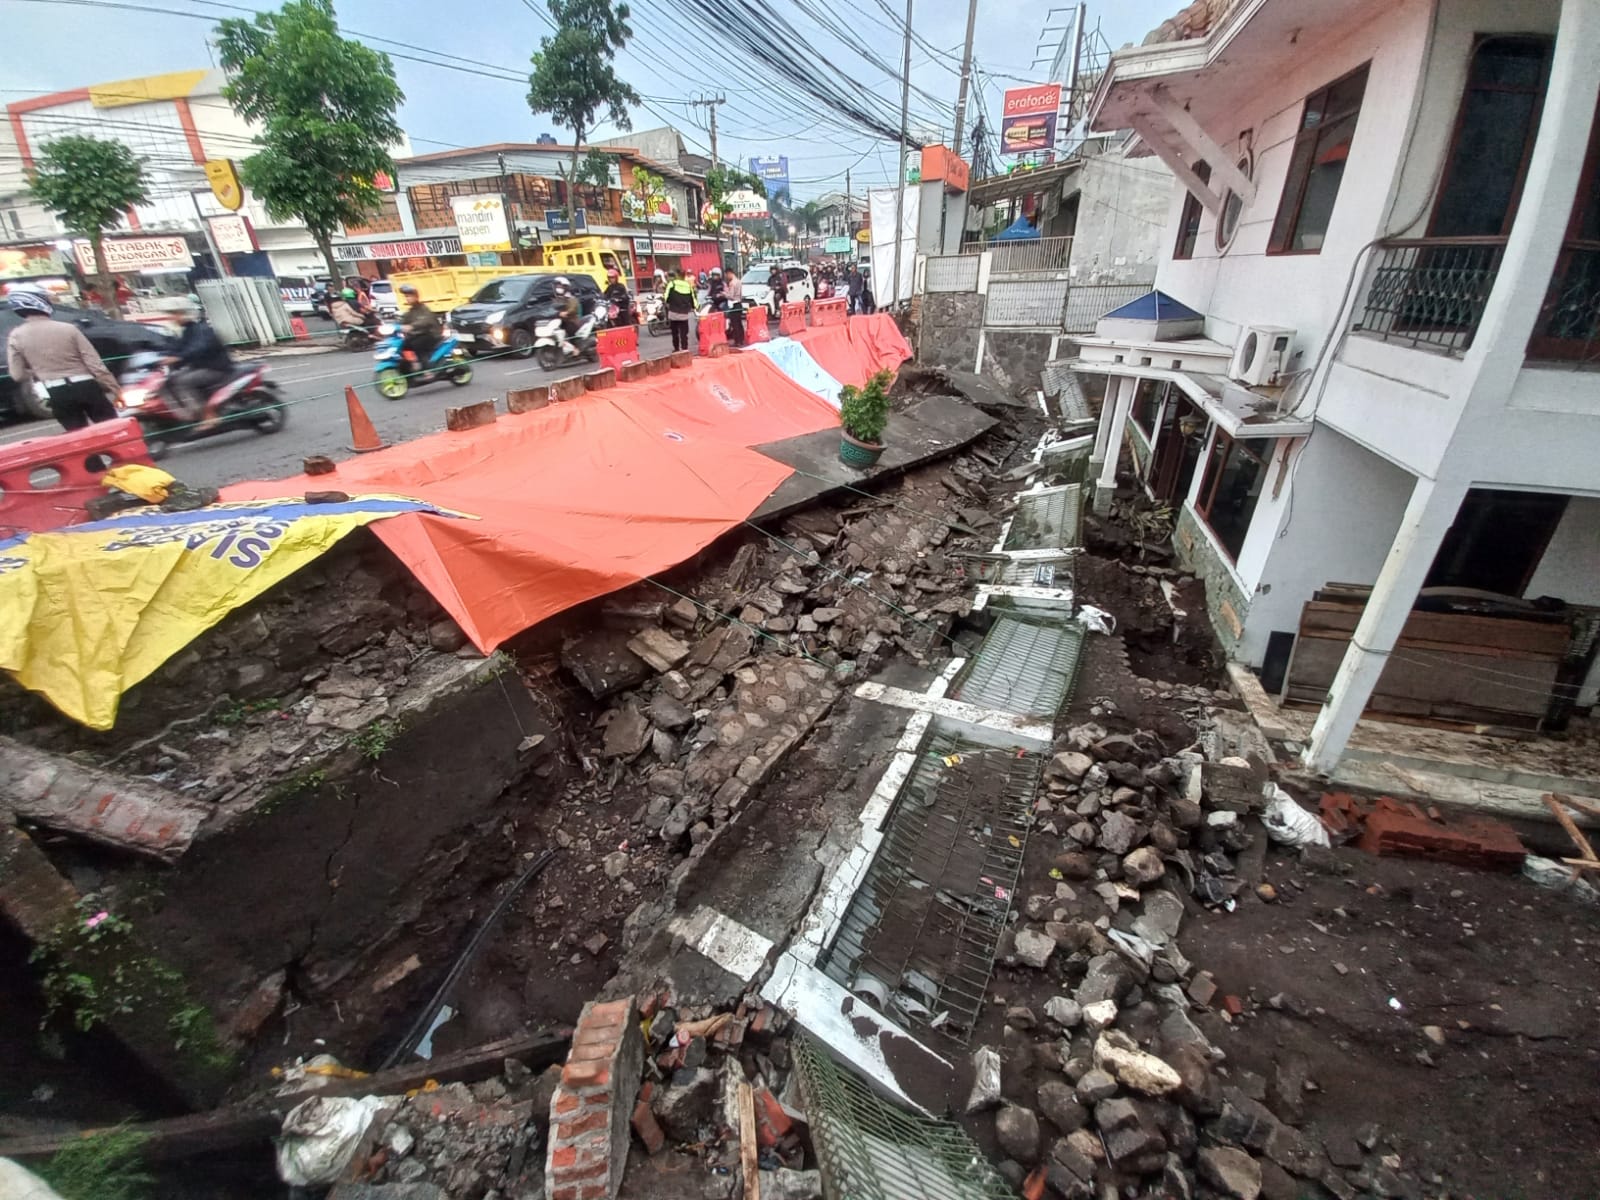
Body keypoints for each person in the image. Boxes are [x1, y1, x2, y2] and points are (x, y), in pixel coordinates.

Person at [4, 287, 120, 430]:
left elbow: (17, 375)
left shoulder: (16, 335)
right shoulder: (68, 329)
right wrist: (116, 389)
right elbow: (96, 366)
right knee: (112, 430)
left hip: (56, 392)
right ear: (42, 302)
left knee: (78, 440)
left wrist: (36, 371)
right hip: (86, 386)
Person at [158, 297, 234, 426]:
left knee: (183, 382)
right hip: (199, 367)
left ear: (186, 313)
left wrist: (179, 357)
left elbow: (199, 348)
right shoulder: (186, 331)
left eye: (176, 313)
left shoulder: (201, 329)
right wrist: (160, 357)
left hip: (215, 368)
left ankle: (208, 415)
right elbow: (176, 348)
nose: (173, 318)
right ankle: (185, 414)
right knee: (167, 382)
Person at [398, 283, 440, 364]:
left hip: (430, 334)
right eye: (406, 296)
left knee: (417, 345)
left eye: (409, 296)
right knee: (403, 345)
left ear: (416, 296)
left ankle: (427, 370)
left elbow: (426, 320)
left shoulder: (423, 308)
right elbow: (404, 320)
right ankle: (412, 365)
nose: (407, 298)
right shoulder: (411, 310)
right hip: (417, 334)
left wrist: (412, 326)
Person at [663, 266, 697, 352]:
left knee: (675, 333)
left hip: (673, 313)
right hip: (684, 314)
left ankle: (676, 349)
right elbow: (693, 300)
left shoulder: (672, 284)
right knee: (684, 334)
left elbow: (666, 297)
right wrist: (695, 307)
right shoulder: (688, 286)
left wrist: (669, 303)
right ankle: (685, 349)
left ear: (677, 275)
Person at [724, 266, 745, 347]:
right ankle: (741, 339)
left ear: (729, 273)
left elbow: (731, 296)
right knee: (739, 323)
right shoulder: (739, 281)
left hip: (734, 305)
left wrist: (724, 294)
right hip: (739, 304)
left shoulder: (732, 283)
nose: (726, 277)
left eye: (726, 275)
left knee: (735, 324)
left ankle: (737, 341)